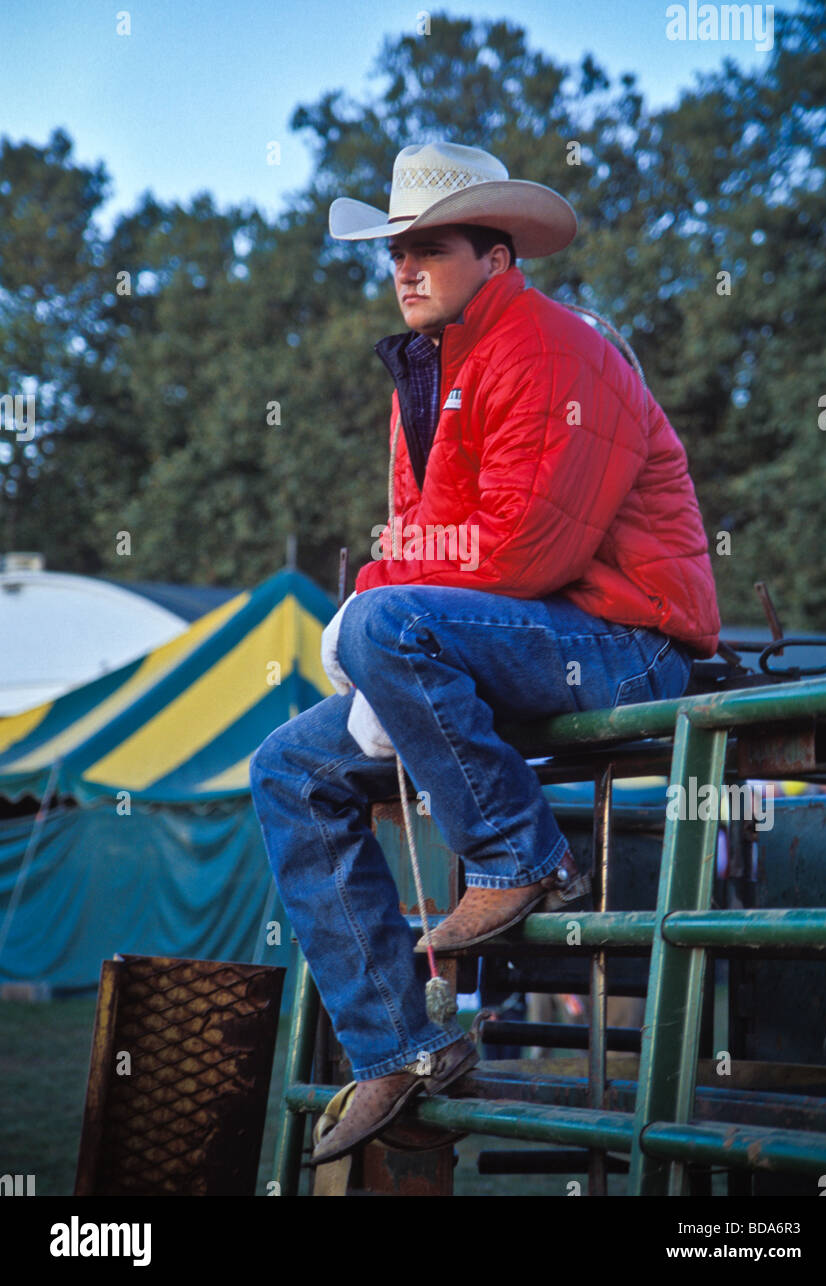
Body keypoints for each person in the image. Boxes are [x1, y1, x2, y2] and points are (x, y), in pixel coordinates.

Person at [250, 141, 721, 1165]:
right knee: (288, 765)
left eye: (428, 247)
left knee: (382, 627)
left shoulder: (555, 349)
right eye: (391, 252)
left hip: (625, 640)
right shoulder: (426, 373)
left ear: (496, 257)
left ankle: (518, 854)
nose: (403, 269)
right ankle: (403, 1046)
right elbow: (423, 536)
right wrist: (383, 604)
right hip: (513, 641)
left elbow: (519, 549)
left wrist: (372, 614)